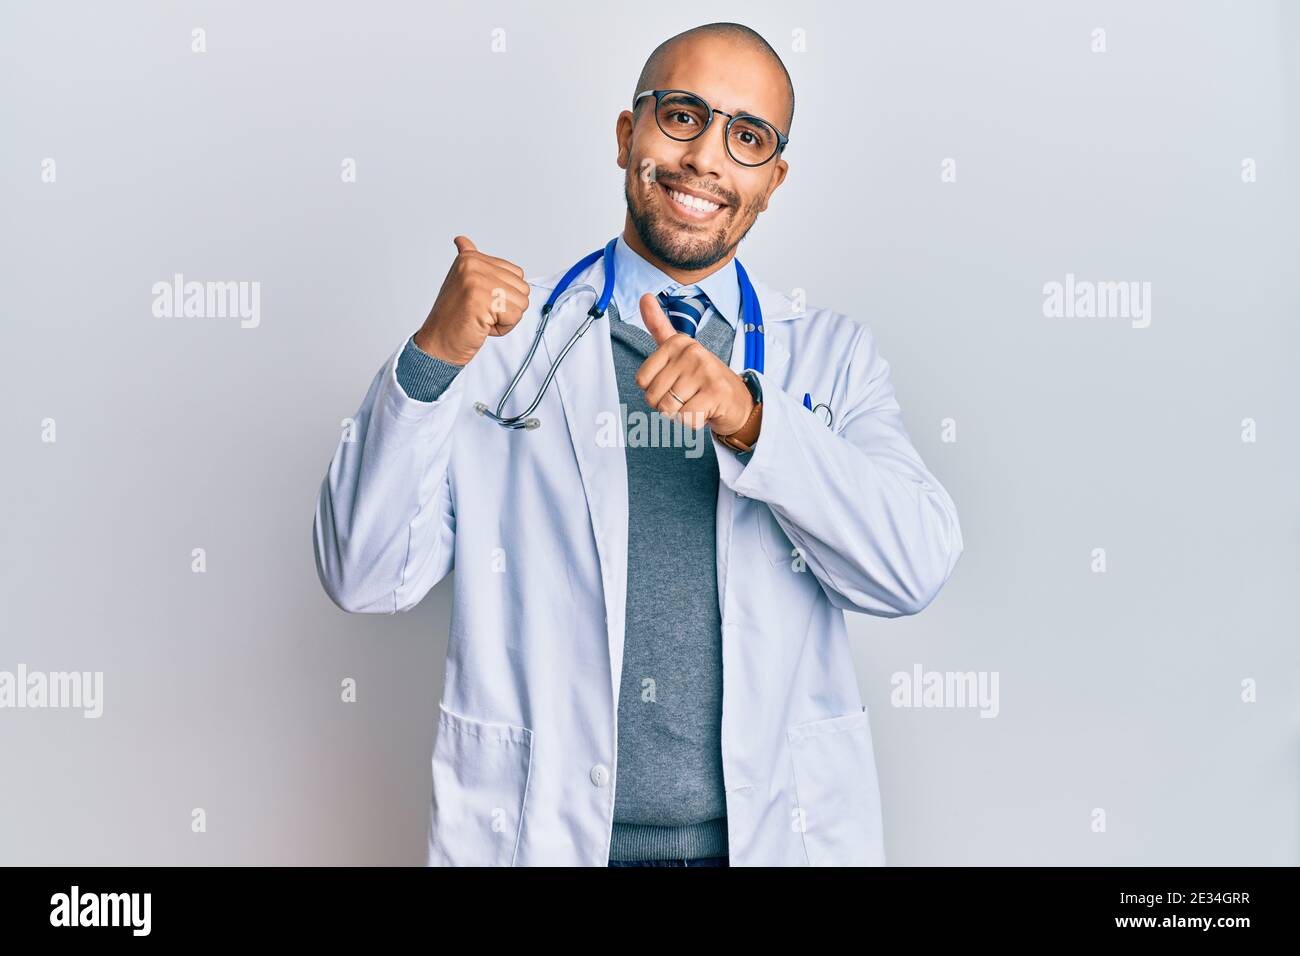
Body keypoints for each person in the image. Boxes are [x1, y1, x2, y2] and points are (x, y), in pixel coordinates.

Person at [312, 21, 963, 867]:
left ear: (772, 181)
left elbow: (912, 569)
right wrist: (433, 354)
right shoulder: (502, 345)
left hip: (767, 843)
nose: (706, 159)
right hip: (543, 838)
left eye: (747, 137)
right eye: (682, 117)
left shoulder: (830, 359)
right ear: (629, 136)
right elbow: (362, 576)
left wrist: (753, 421)